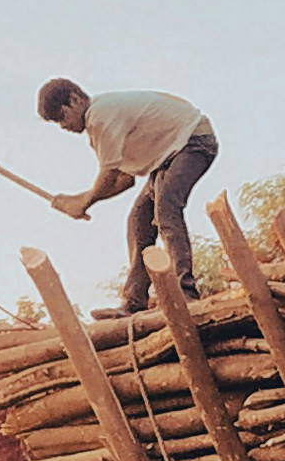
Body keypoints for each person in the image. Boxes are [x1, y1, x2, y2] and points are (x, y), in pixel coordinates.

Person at [36, 78, 219, 318]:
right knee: (139, 219)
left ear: (74, 99)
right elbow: (123, 180)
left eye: (62, 117)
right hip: (169, 156)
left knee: (166, 209)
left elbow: (108, 175)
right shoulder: (101, 122)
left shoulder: (99, 116)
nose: (63, 127)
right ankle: (134, 303)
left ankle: (185, 295)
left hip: (193, 141)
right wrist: (77, 199)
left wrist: (82, 202)